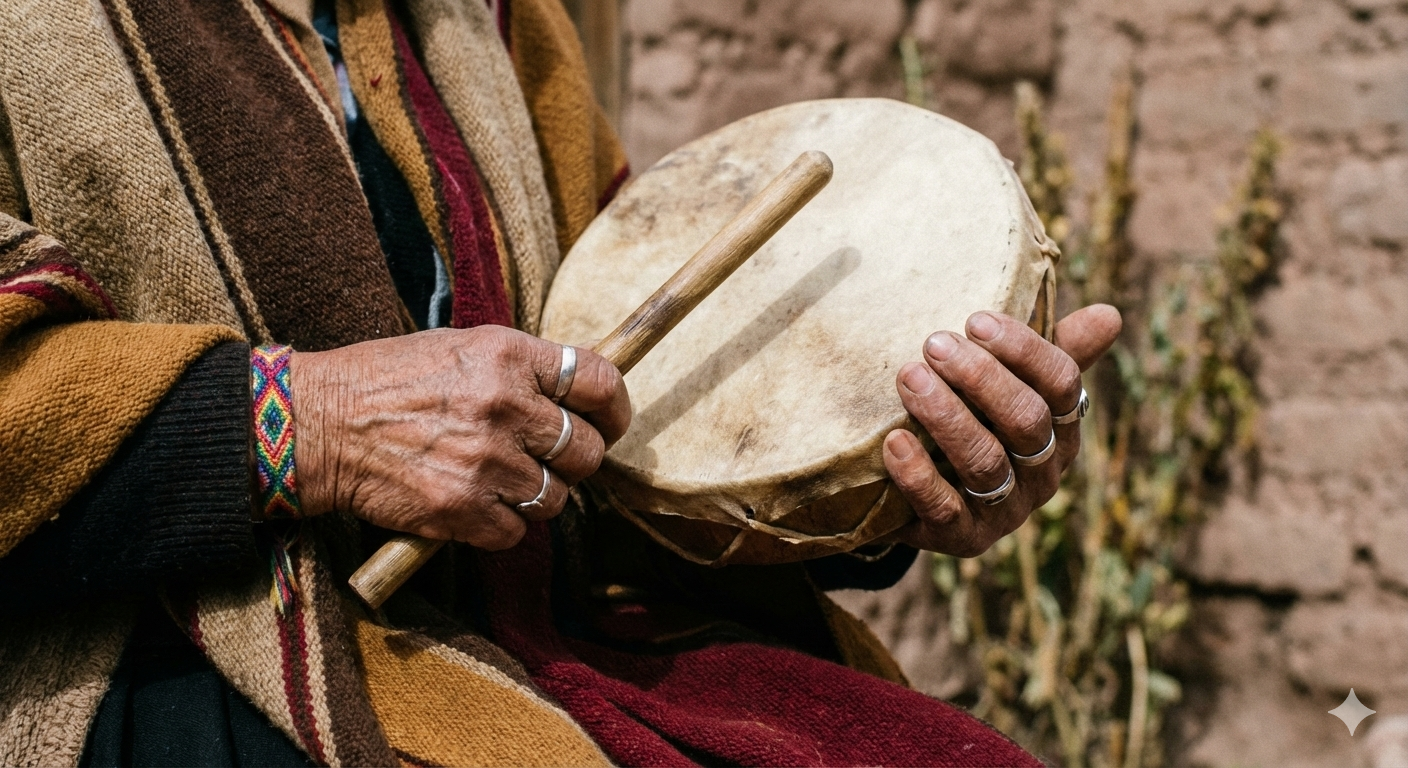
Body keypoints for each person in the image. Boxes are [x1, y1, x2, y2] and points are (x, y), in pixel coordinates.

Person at [0, 0, 1120, 765]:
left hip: (537, 625)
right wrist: (309, 426)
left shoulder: (483, 20)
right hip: (157, 653)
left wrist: (883, 481)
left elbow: (616, 436)